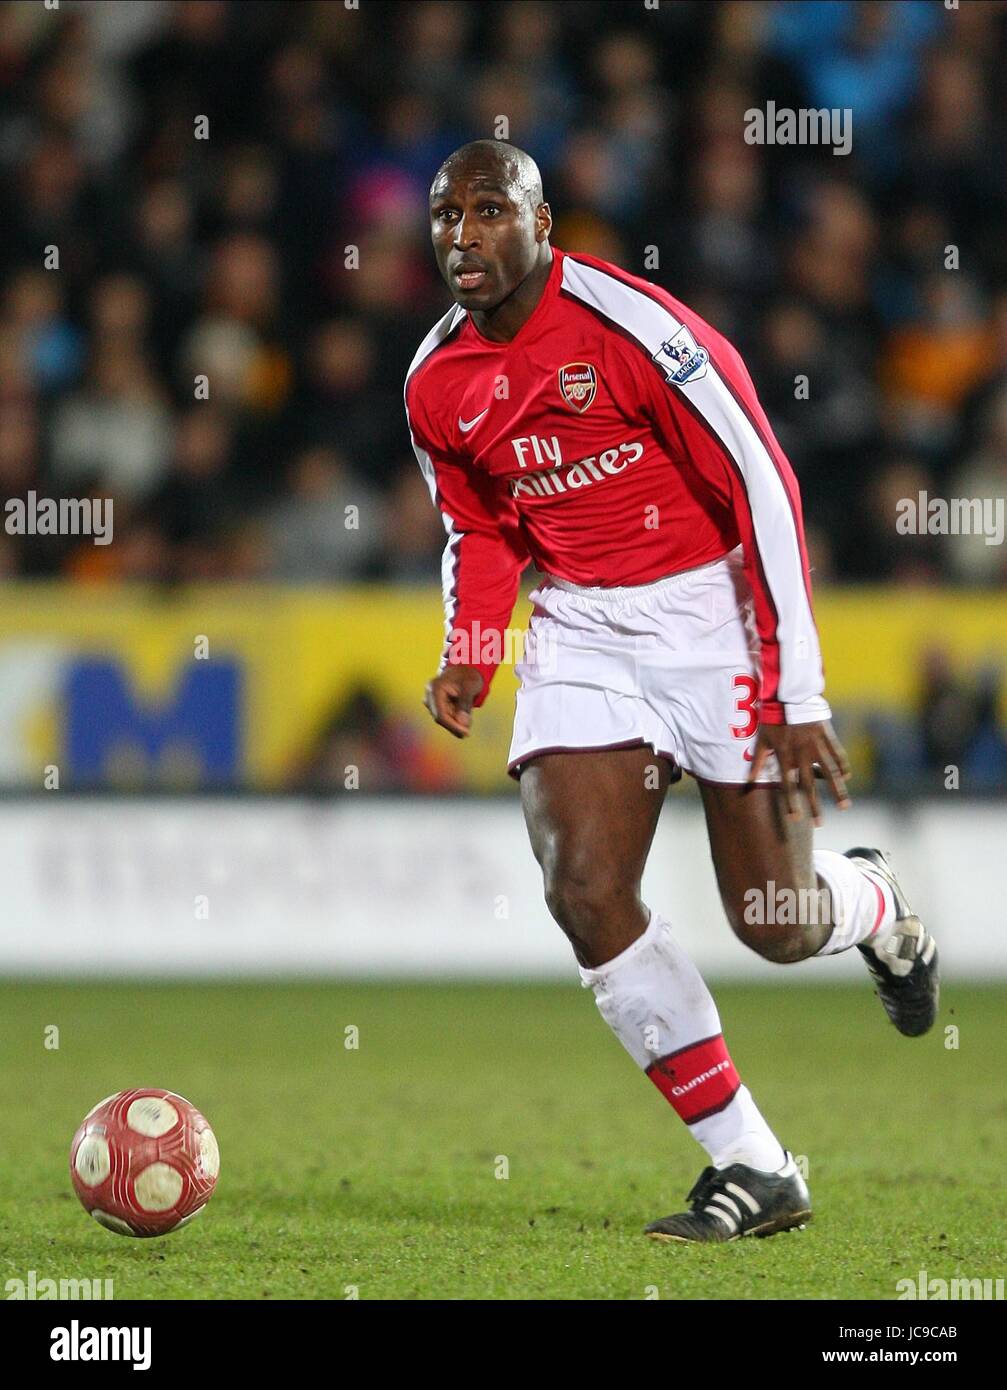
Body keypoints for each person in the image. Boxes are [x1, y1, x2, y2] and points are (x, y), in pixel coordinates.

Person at [404, 140, 939, 1243]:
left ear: (542, 223)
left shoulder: (633, 326)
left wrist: (794, 690)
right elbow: (477, 523)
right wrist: (470, 642)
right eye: (445, 214)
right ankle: (751, 1161)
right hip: (581, 627)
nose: (463, 233)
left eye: (489, 210)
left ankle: (876, 905)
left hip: (713, 614)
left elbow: (764, 484)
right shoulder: (434, 381)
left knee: (773, 922)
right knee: (583, 888)